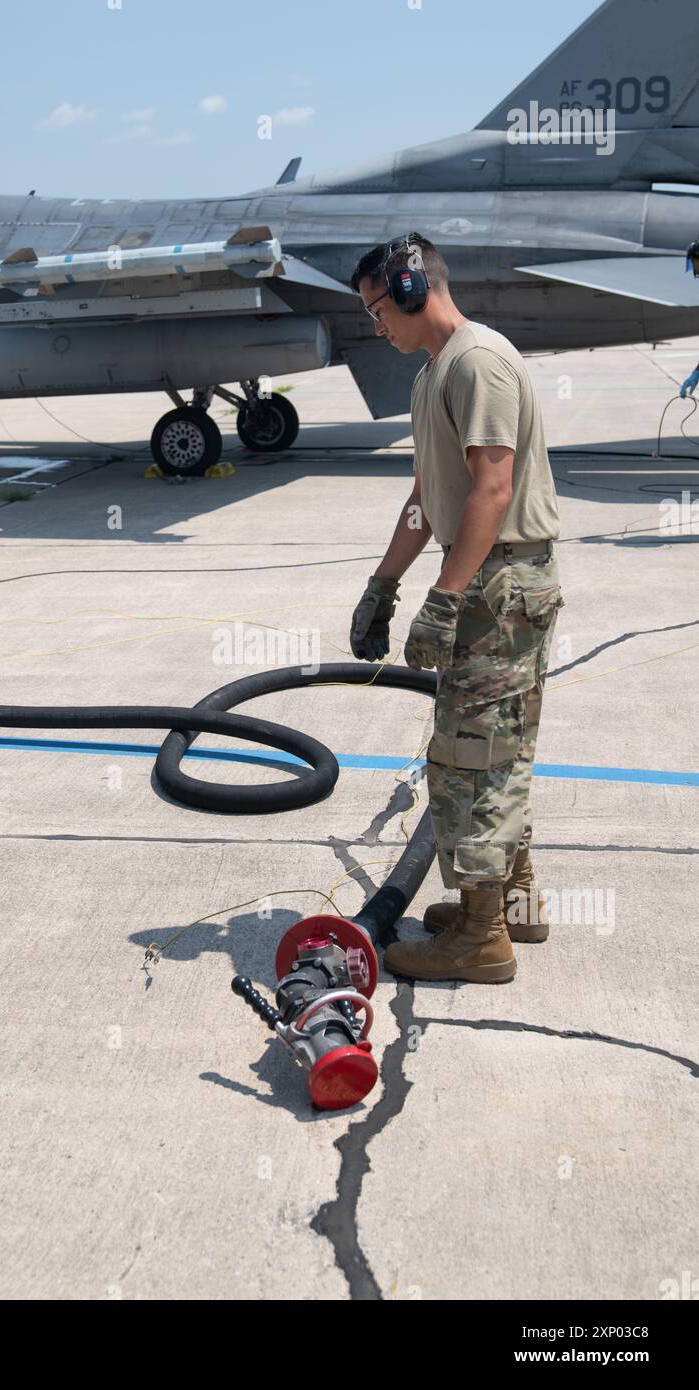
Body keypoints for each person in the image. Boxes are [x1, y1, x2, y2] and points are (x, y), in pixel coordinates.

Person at [348, 233, 563, 985]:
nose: (378, 326)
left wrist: (443, 602)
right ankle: (514, 901)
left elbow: (492, 491)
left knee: (469, 757)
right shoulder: (434, 373)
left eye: (379, 309)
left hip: (497, 588)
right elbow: (426, 499)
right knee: (497, 747)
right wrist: (383, 585)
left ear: (411, 289)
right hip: (485, 582)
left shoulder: (477, 363)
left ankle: (480, 936)